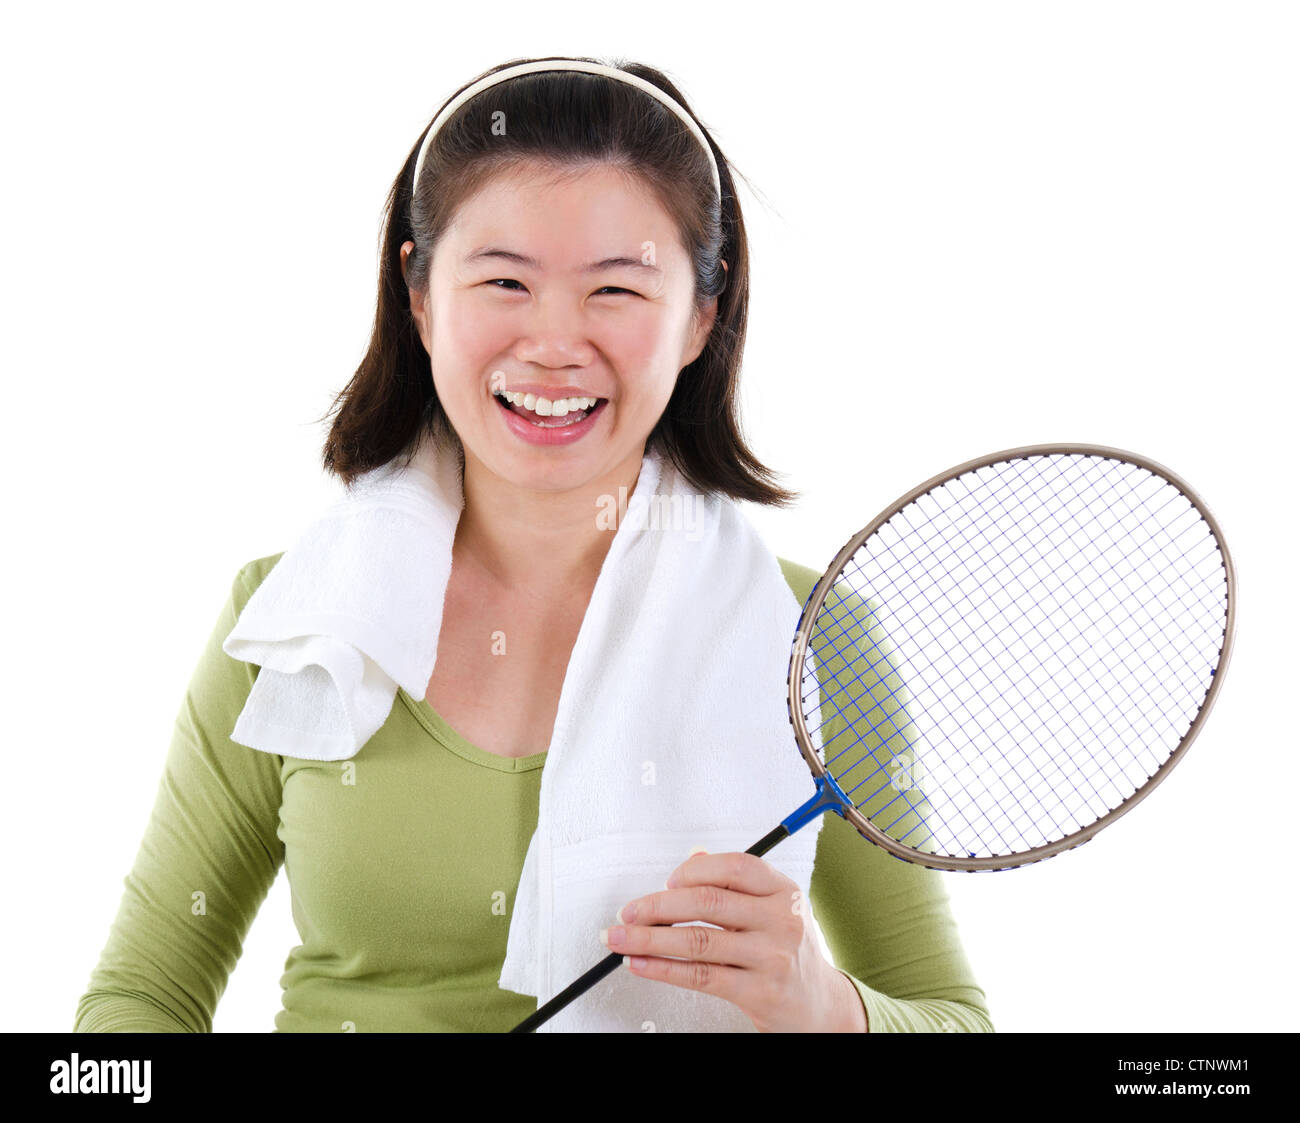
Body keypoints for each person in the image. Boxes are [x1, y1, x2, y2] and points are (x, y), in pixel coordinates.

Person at [74, 54, 993, 1033]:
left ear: (702, 315)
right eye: (505, 280)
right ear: (420, 296)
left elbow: (955, 1019)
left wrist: (825, 1004)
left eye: (615, 291)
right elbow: (140, 1001)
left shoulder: (810, 638)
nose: (554, 342)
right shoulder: (291, 619)